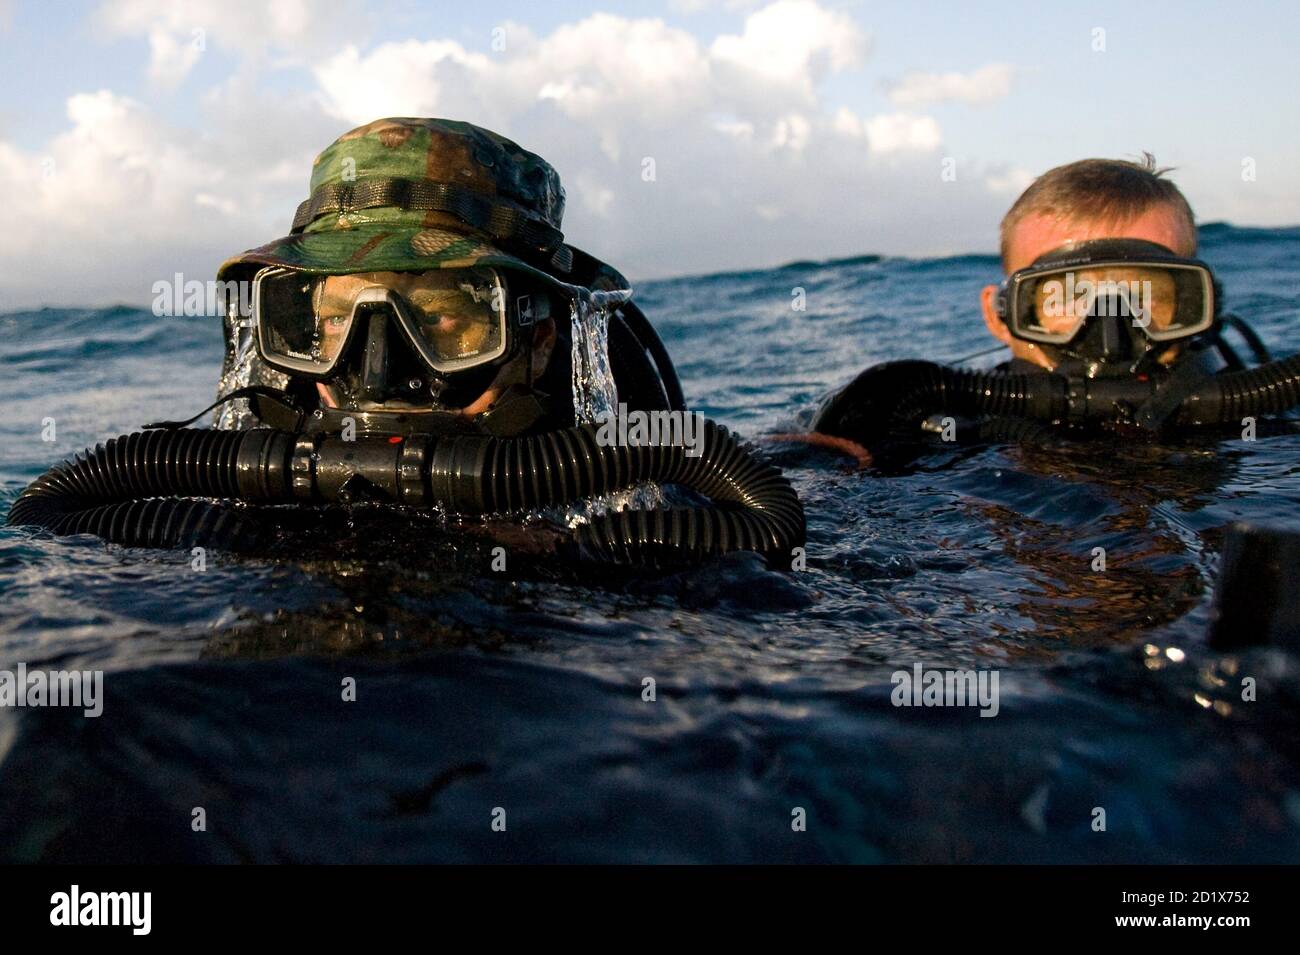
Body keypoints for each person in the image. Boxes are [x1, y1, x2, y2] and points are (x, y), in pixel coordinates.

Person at [212, 116, 684, 438]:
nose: (377, 379)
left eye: (439, 319)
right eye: (337, 320)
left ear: (538, 341)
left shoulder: (621, 516)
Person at [811, 155, 1289, 459]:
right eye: (1067, 297)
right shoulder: (935, 436)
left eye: (1147, 295)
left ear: (1199, 306)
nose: (1110, 331)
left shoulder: (1263, 429)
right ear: (1000, 315)